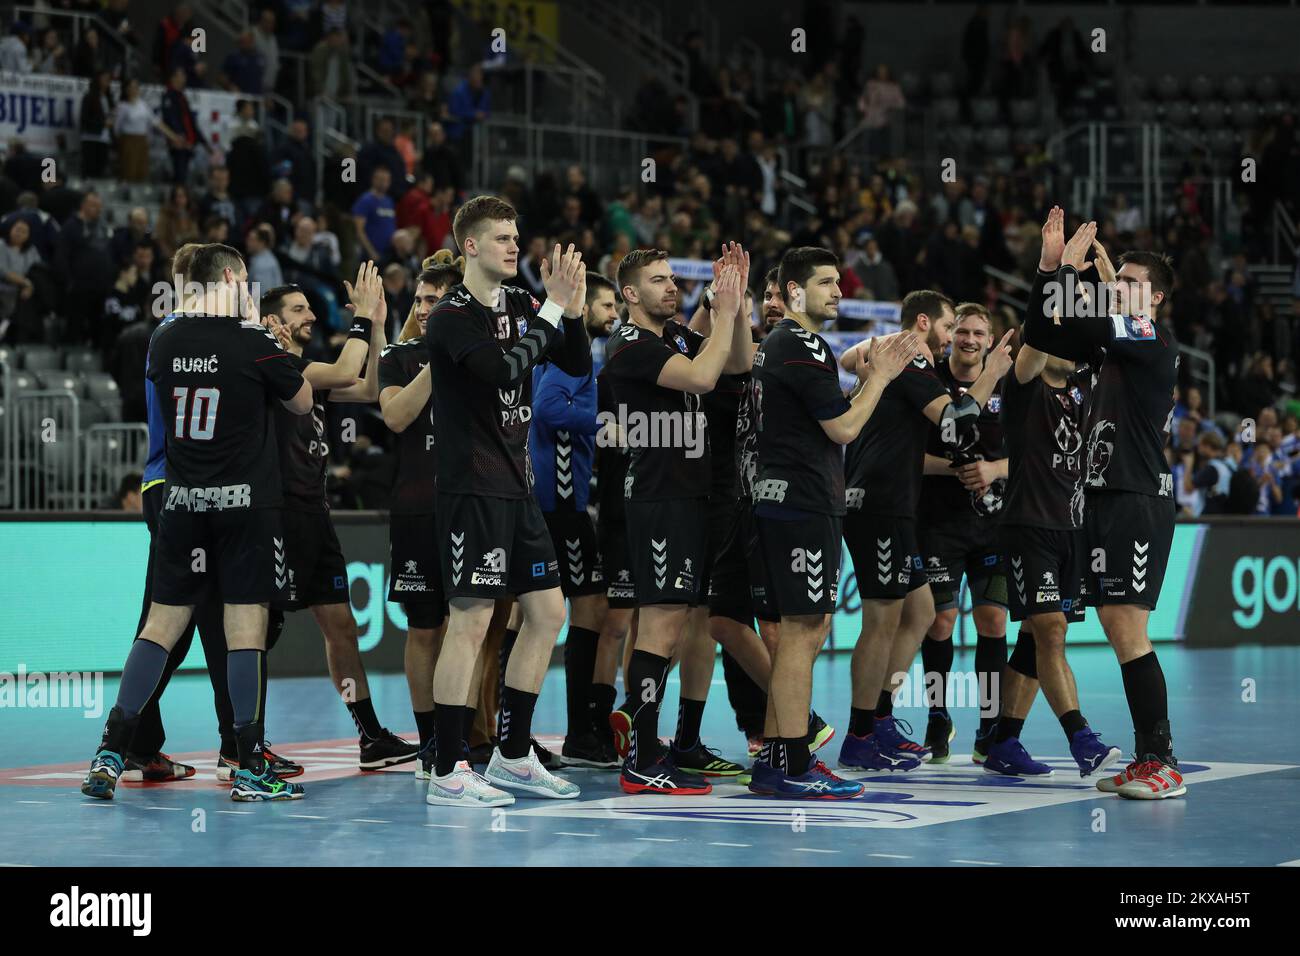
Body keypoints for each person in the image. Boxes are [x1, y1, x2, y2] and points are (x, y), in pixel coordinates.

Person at [81, 242, 314, 803]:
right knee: (243, 627)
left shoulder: (163, 338)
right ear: (233, 277)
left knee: (160, 626)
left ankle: (111, 753)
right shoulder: (253, 340)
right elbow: (302, 402)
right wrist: (278, 355)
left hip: (181, 500)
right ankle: (248, 761)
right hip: (243, 504)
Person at [422, 196, 590, 807]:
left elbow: (572, 362)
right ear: (469, 246)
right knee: (469, 620)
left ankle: (513, 755)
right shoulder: (451, 315)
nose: (514, 247)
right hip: (471, 484)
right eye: (500, 238)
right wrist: (551, 309)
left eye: (516, 237)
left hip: (516, 486)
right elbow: (500, 370)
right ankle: (446, 768)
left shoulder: (523, 303)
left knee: (547, 612)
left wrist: (566, 309)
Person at [1021, 208, 1185, 799]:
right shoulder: (1118, 346)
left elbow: (1090, 324)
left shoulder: (1149, 336)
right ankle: (1148, 756)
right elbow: (1047, 332)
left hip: (1135, 497)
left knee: (1128, 629)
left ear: (1157, 296)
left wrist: (1070, 272)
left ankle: (1161, 760)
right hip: (1102, 499)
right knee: (1119, 630)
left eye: (1132, 282)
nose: (1120, 288)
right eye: (1120, 282)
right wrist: (1049, 271)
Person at [748, 246, 917, 797]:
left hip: (787, 497)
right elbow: (843, 430)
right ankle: (793, 764)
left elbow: (821, 413)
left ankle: (776, 760)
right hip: (802, 500)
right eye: (825, 283)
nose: (839, 292)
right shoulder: (802, 343)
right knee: (803, 632)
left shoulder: (785, 344)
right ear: (795, 292)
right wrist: (882, 378)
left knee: (807, 629)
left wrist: (862, 385)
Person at [837, 290, 1013, 772]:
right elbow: (955, 423)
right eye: (951, 324)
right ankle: (861, 734)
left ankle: (880, 718)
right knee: (881, 622)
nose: (955, 334)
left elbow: (849, 355)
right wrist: (993, 375)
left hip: (892, 505)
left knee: (919, 613)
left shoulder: (890, 352)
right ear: (923, 323)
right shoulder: (913, 358)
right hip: (882, 505)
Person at [601, 245, 751, 795]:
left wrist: (724, 302)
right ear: (630, 294)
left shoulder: (678, 337)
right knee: (660, 627)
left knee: (672, 626)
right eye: (658, 280)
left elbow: (733, 363)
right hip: (660, 499)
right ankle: (642, 758)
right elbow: (705, 379)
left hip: (689, 499)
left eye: (673, 279)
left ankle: (650, 746)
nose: (671, 287)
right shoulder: (630, 344)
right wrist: (727, 310)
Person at [260, 275, 416, 770]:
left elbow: (368, 384)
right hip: (277, 515)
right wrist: (364, 316)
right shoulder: (274, 363)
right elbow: (349, 365)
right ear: (273, 321)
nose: (310, 317)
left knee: (341, 627)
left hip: (313, 513)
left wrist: (379, 326)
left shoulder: (310, 372)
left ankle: (370, 735)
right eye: (299, 309)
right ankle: (244, 741)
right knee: (260, 632)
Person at [998, 302, 1123, 780]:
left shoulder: (1081, 391)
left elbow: (1113, 338)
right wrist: (1056, 272)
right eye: (1061, 337)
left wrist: (1106, 287)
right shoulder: (1023, 386)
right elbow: (1032, 347)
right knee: (1052, 629)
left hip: (1072, 528)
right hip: (1028, 526)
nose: (1069, 347)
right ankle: (1081, 737)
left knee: (1034, 639)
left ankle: (1004, 739)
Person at [526, 272, 619, 768]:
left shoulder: (560, 352)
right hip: (560, 504)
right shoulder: (571, 352)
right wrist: (610, 426)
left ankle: (520, 733)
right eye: (606, 305)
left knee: (541, 616)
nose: (614, 315)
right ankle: (580, 732)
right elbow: (546, 409)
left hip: (555, 500)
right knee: (585, 611)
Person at [378, 251, 463, 776]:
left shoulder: (481, 352)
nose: (429, 308)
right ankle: (431, 740)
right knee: (425, 628)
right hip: (417, 510)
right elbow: (395, 415)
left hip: (472, 505)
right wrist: (438, 359)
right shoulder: (399, 355)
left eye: (440, 300)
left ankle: (468, 736)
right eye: (423, 300)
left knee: (473, 625)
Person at [915, 302, 1010, 763]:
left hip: (994, 527)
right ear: (951, 337)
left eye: (978, 332)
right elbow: (905, 456)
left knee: (992, 621)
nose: (970, 339)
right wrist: (953, 470)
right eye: (962, 332)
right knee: (940, 621)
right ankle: (937, 715)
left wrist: (993, 469)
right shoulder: (929, 381)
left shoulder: (1009, 386)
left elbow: (1033, 455)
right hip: (939, 524)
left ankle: (990, 725)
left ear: (990, 341)